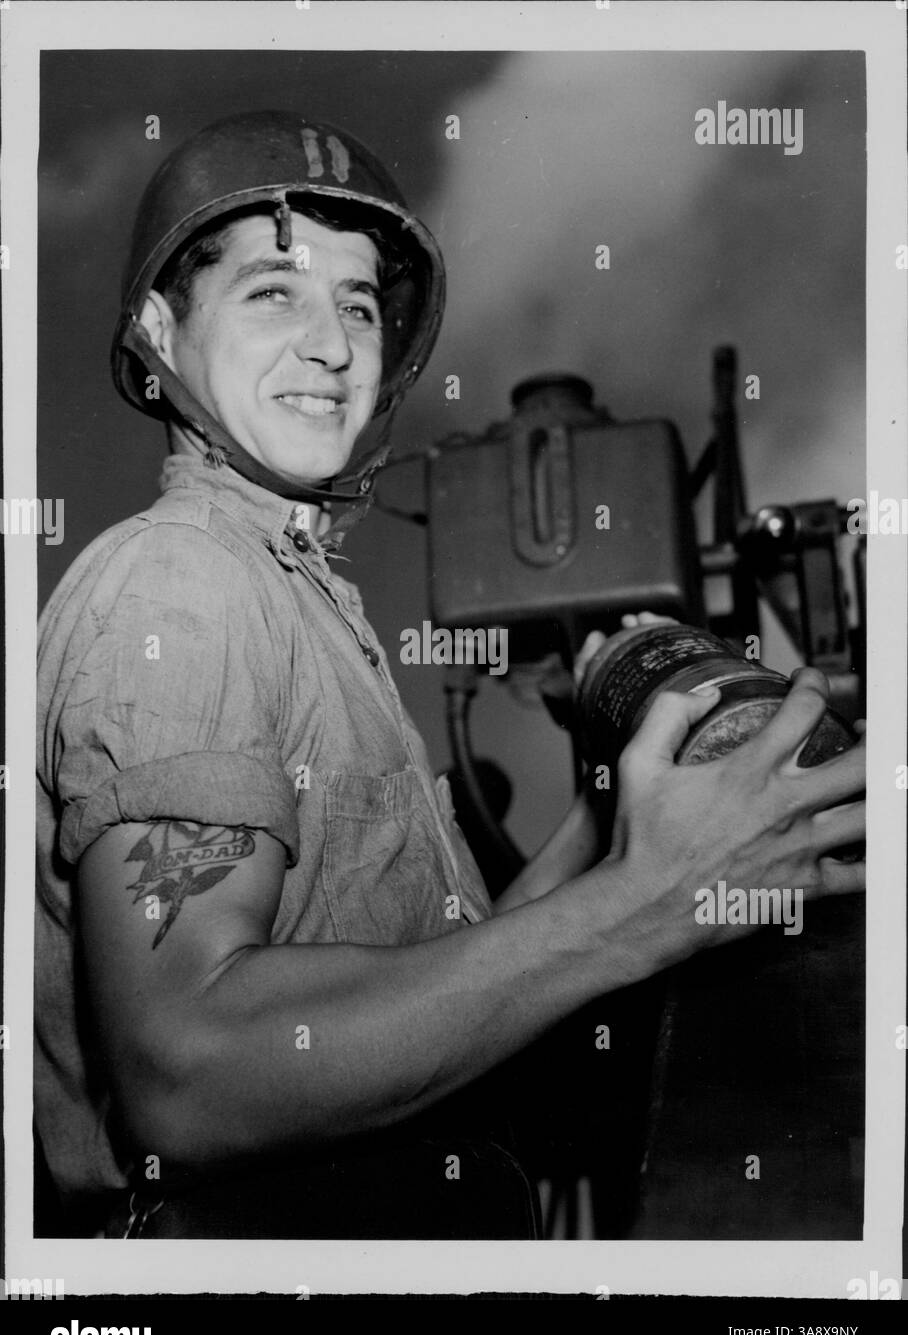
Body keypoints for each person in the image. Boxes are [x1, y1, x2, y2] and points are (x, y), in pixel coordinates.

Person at [35, 111, 865, 1239]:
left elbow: (425, 993)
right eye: (272, 291)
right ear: (158, 328)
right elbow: (192, 1068)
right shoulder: (178, 582)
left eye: (359, 303)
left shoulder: (303, 606)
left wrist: (616, 799)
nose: (332, 344)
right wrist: (640, 903)